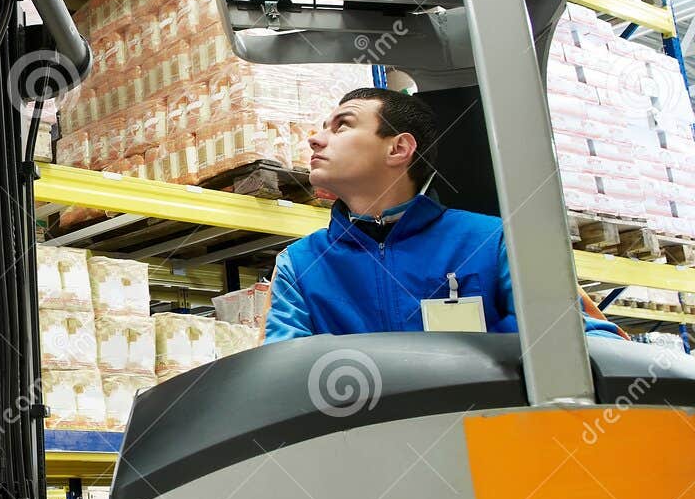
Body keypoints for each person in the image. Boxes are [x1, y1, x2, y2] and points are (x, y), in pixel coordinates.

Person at [263, 87, 623, 343]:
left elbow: (581, 339)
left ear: (399, 148)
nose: (316, 139)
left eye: (342, 125)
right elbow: (282, 376)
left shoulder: (497, 241)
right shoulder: (300, 264)